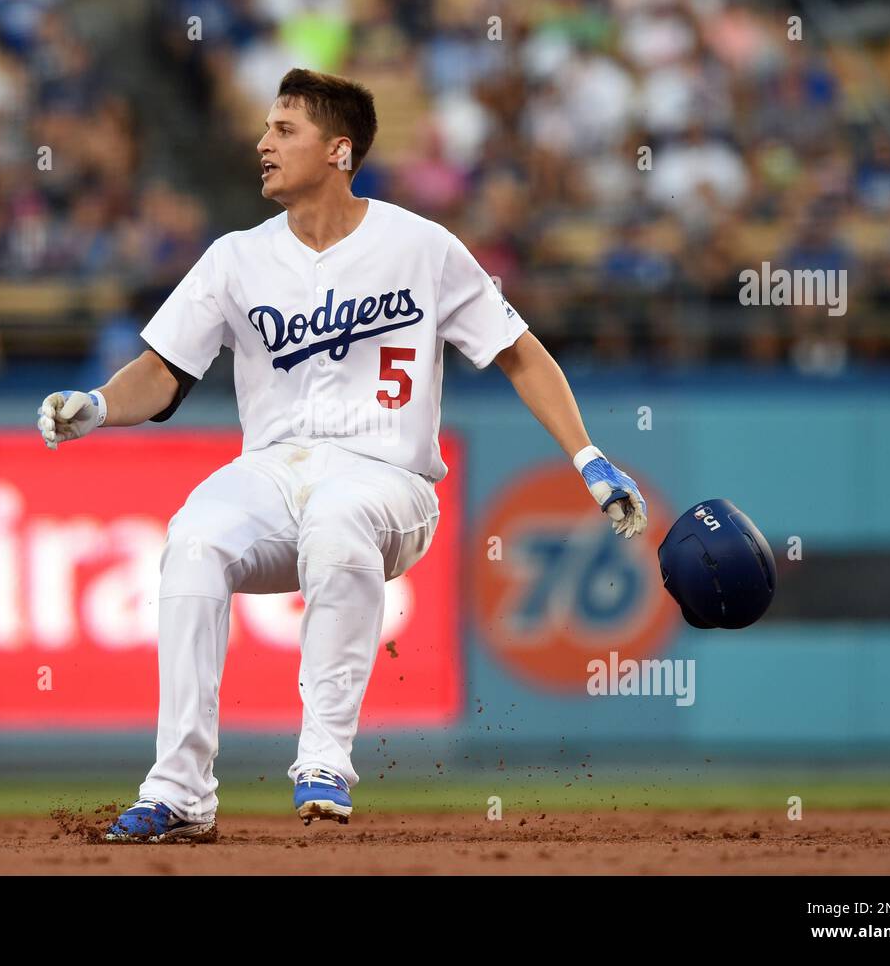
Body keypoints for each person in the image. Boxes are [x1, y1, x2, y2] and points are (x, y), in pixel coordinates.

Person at [37, 69, 648, 842]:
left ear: (339, 150)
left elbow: (519, 354)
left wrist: (589, 458)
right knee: (192, 542)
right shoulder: (235, 258)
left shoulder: (421, 246)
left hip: (390, 481)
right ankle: (181, 792)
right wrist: (96, 405)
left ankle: (324, 760)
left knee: (335, 519)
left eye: (284, 129)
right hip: (272, 470)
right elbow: (162, 370)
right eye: (265, 128)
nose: (263, 143)